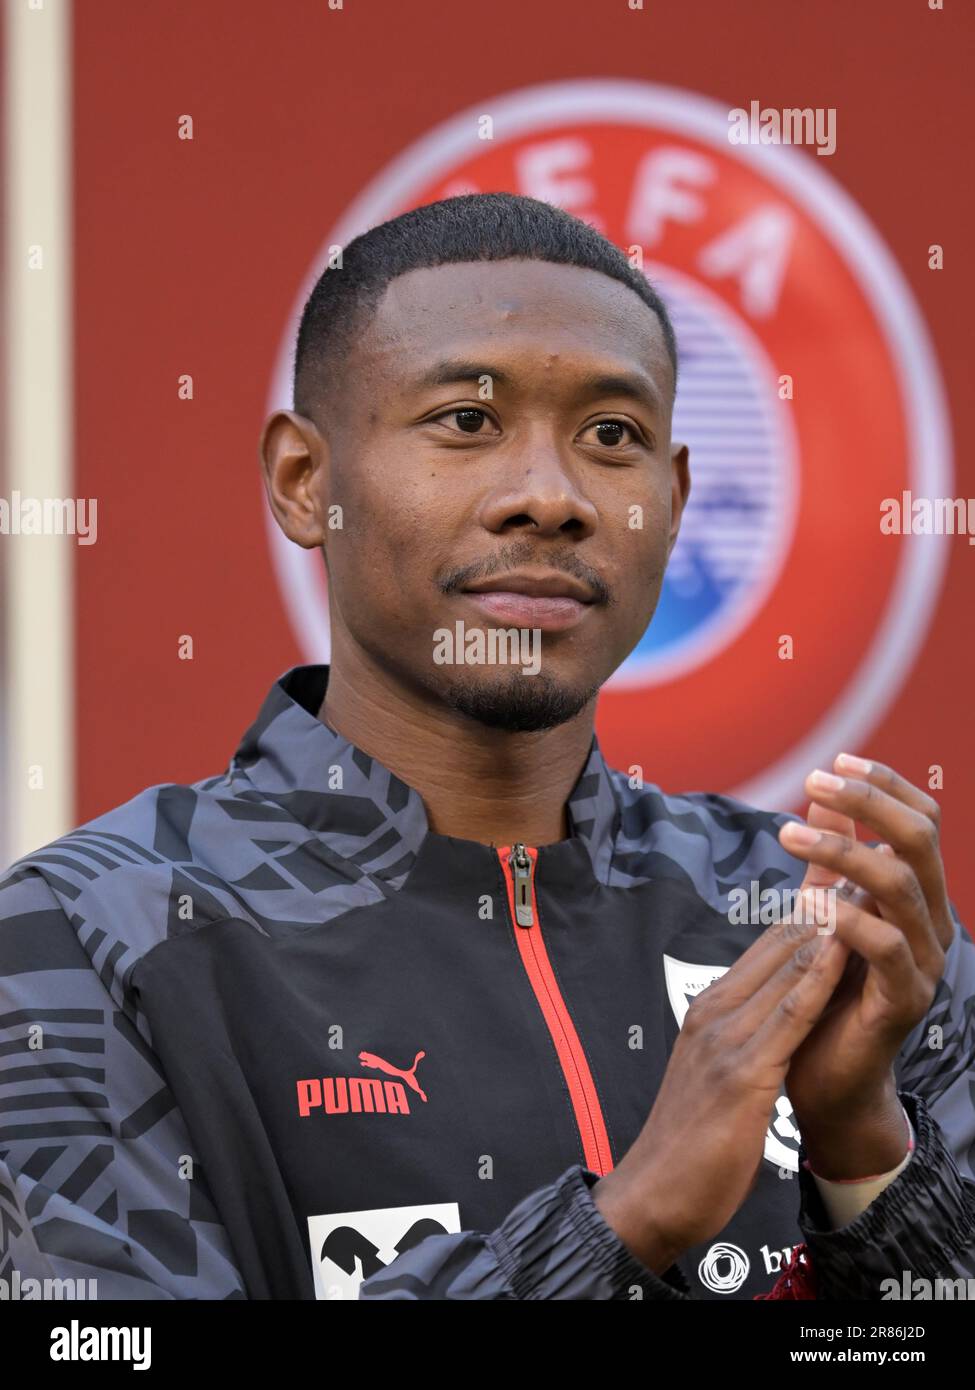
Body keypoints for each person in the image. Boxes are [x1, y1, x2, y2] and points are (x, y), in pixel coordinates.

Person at [2, 193, 973, 1301]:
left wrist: (865, 1157)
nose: (550, 499)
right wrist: (628, 1217)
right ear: (305, 482)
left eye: (614, 437)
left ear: (675, 495)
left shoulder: (817, 925)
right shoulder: (89, 941)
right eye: (467, 422)